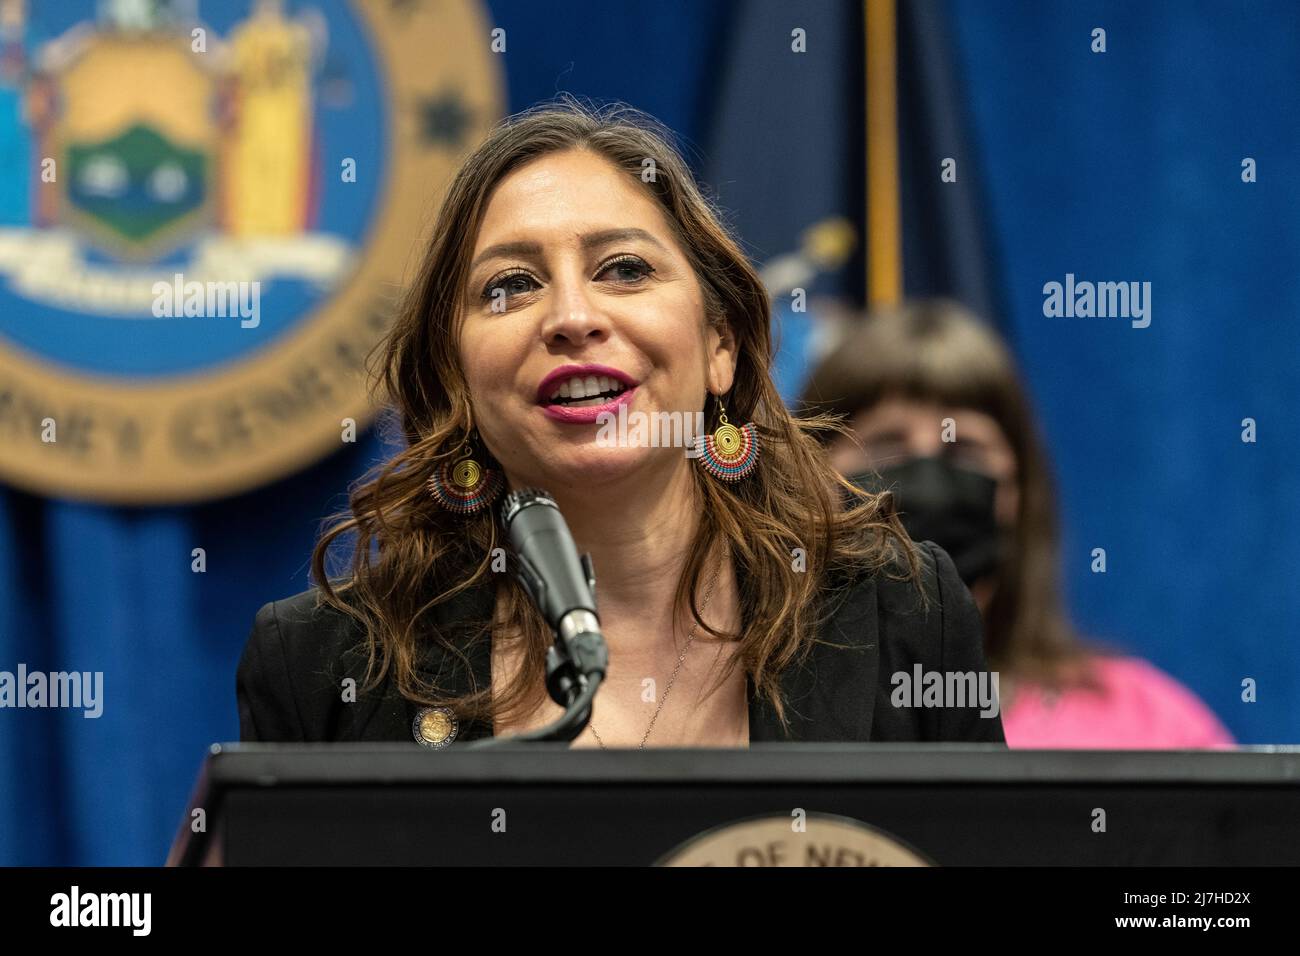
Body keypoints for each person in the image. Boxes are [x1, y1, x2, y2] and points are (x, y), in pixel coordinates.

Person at [236, 100, 1004, 748]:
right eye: (510, 286)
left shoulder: (905, 610)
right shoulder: (320, 663)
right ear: (454, 377)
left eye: (625, 269)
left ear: (722, 347)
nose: (572, 316)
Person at [799, 299, 1234, 748]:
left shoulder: (1149, 725)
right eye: (887, 443)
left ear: (1017, 490)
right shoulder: (757, 704)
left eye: (962, 448)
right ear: (809, 476)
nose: (927, 473)